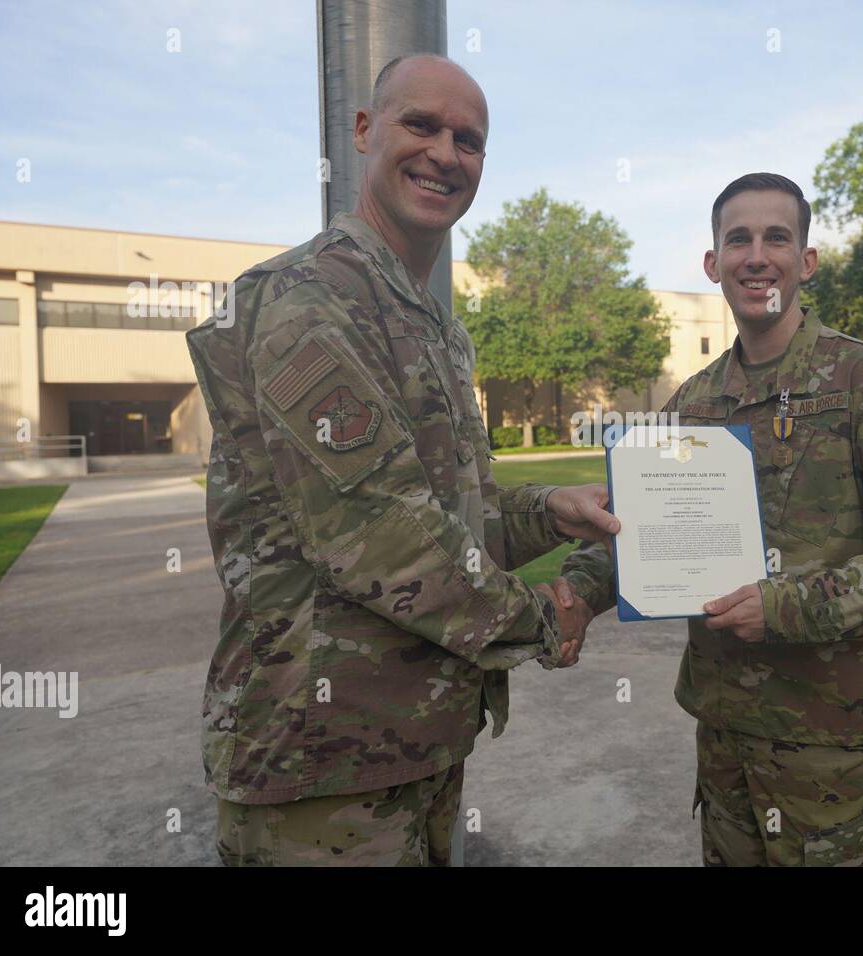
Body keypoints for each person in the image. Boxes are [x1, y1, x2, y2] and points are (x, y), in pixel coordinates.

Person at [186, 54, 601, 867]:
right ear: (365, 131)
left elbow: (457, 516)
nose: (447, 154)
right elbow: (377, 534)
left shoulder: (435, 328)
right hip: (318, 763)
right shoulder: (307, 297)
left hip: (418, 744)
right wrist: (545, 616)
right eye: (422, 125)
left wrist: (554, 508)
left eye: (470, 140)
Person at [556, 172, 863, 866]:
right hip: (725, 738)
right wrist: (578, 592)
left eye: (777, 237)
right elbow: (641, 526)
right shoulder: (694, 402)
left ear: (805, 261)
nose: (756, 255)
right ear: (713, 264)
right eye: (737, 239)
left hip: (832, 749)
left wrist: (788, 608)